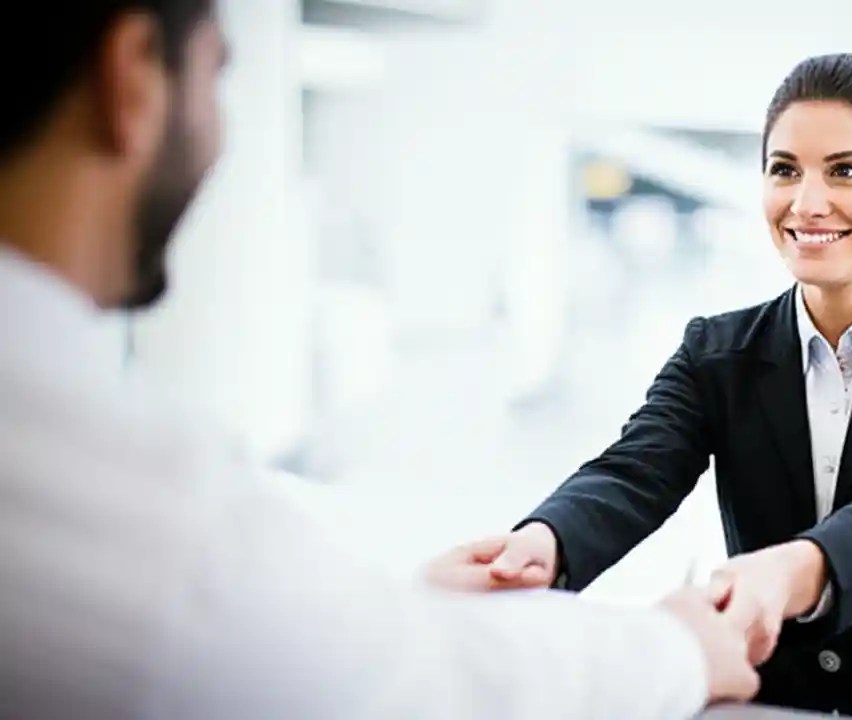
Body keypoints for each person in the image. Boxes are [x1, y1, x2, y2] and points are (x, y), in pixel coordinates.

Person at [0, 2, 760, 718]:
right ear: (131, 78)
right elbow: (398, 680)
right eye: (217, 74)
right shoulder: (114, 479)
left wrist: (389, 609)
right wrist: (680, 647)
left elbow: (266, 633)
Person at [443, 53, 852, 717]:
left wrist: (798, 569)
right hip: (769, 702)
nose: (806, 202)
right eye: (784, 170)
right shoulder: (716, 352)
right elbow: (635, 471)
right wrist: (546, 545)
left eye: (844, 170)